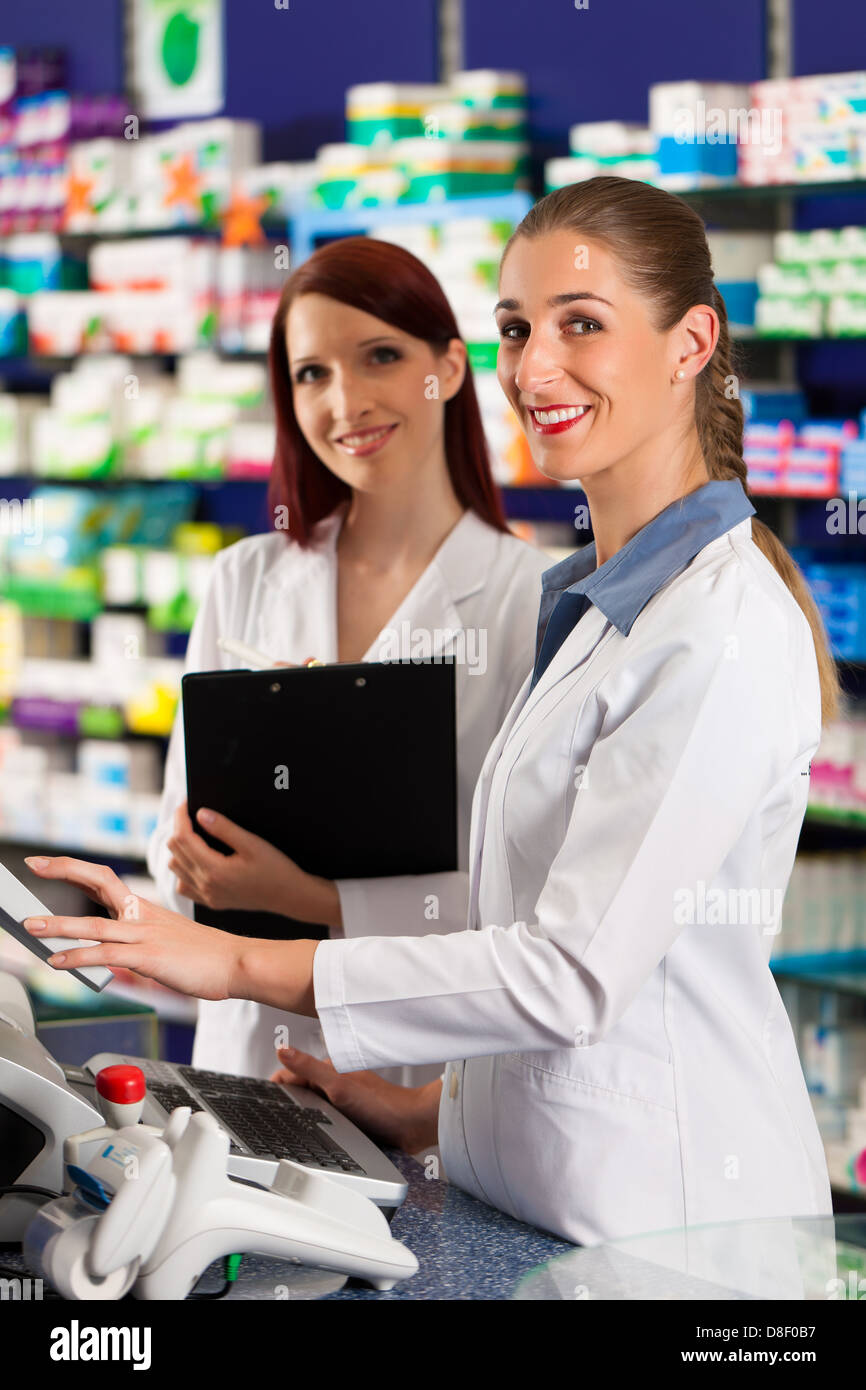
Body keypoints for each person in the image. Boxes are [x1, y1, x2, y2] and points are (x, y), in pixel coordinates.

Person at [25, 176, 841, 1246]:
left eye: (579, 325)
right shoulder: (597, 608)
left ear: (690, 343)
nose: (533, 368)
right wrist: (425, 1110)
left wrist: (232, 959)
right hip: (536, 1206)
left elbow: (566, 974)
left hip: (678, 1234)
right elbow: (529, 943)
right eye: (514, 329)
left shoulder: (716, 626)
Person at [145, 236, 549, 1086]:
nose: (346, 401)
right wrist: (194, 858)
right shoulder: (248, 575)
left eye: (380, 357)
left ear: (448, 365)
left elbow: (532, 907)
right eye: (312, 374)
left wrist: (311, 900)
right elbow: (172, 841)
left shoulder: (533, 600)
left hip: (432, 1072)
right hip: (251, 1058)